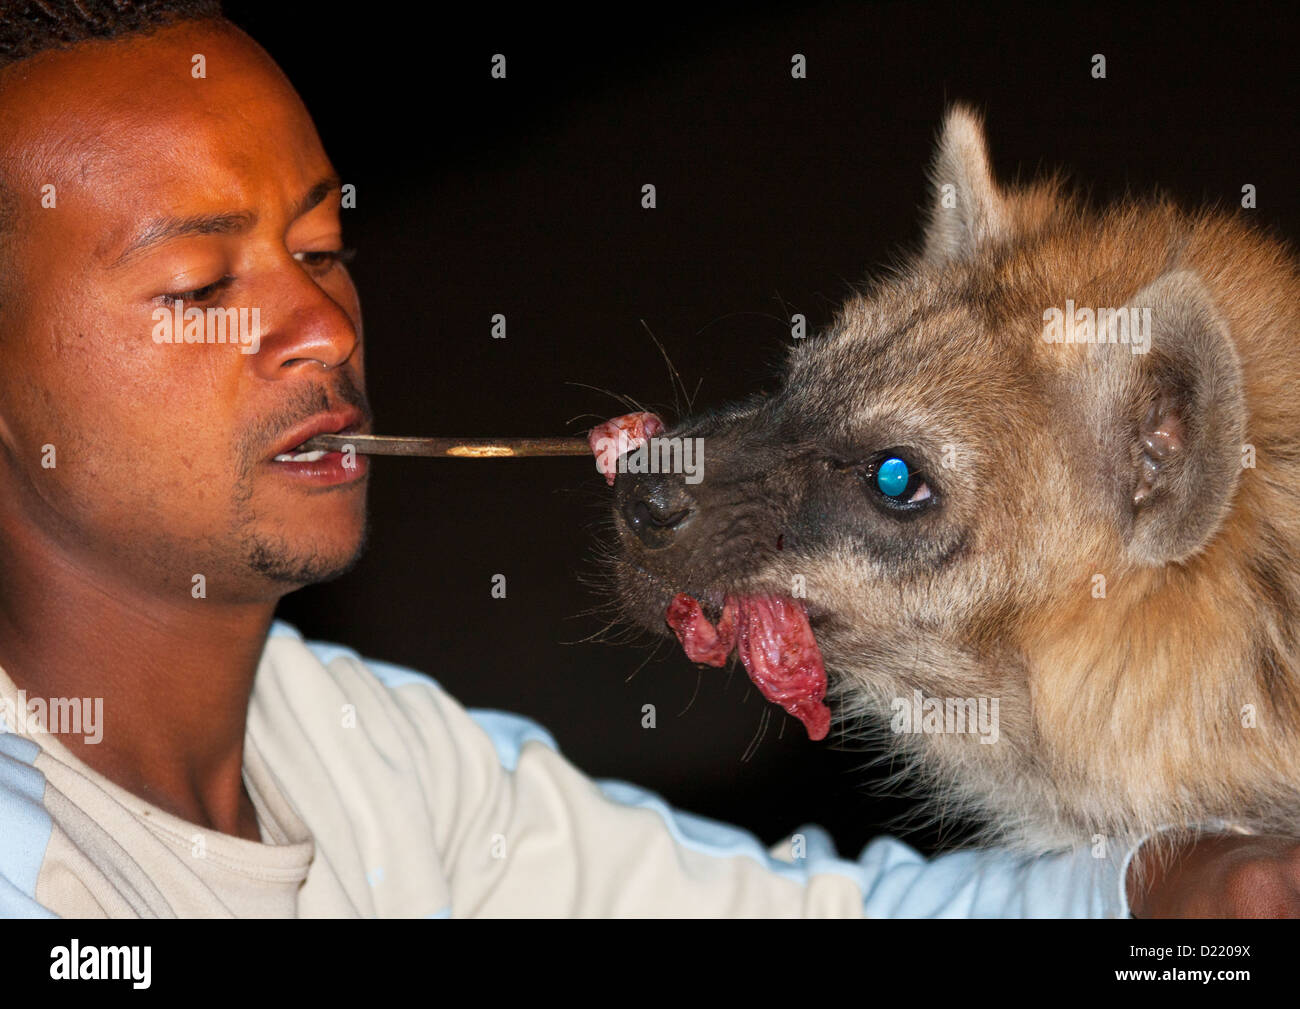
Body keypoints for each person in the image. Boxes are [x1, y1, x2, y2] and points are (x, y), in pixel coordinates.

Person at [0, 0, 1295, 918]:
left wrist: (1140, 891)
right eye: (198, 282)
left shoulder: (373, 753)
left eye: (322, 247)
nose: (320, 326)